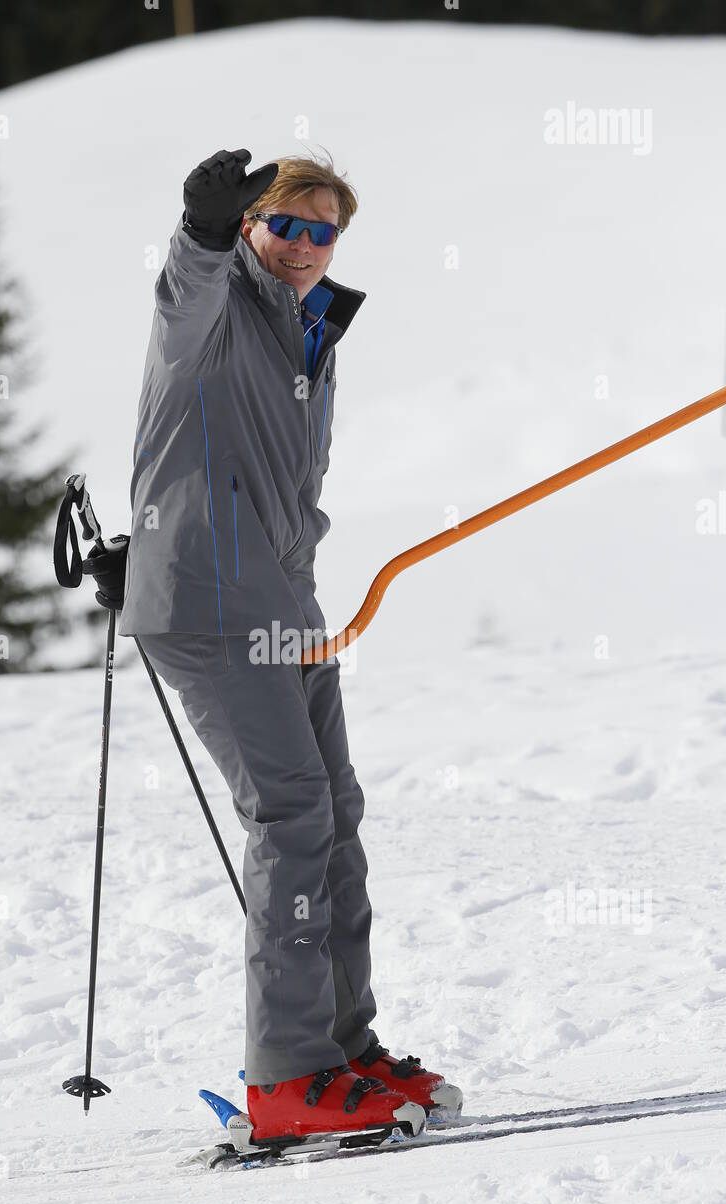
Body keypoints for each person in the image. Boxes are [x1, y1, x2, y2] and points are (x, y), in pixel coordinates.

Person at [118, 148, 461, 1142]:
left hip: (282, 604)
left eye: (324, 232)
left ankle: (341, 1048)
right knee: (290, 810)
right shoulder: (215, 297)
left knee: (332, 815)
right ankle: (285, 1074)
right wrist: (201, 230)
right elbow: (178, 298)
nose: (306, 248)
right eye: (287, 226)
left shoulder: (310, 330)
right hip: (211, 604)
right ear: (249, 225)